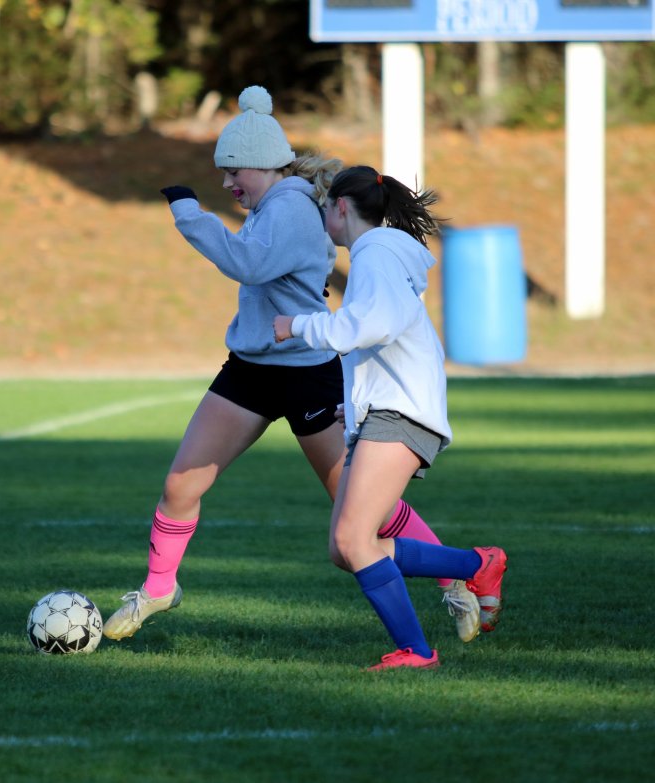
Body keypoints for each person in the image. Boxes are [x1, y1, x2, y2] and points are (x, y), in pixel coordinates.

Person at [103, 87, 479, 643]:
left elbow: (247, 264)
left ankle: (458, 580)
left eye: (234, 171)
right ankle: (159, 587)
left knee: (364, 513)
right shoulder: (270, 204)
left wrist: (189, 213)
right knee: (181, 483)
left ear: (262, 164)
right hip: (251, 370)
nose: (228, 184)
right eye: (223, 173)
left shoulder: (295, 209)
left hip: (307, 372)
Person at [273, 165, 507, 669]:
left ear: (340, 207)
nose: (322, 220)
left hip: (400, 415)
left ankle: (417, 651)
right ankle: (477, 564)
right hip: (387, 410)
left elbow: (369, 326)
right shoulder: (378, 253)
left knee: (355, 540)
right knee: (347, 548)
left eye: (323, 210)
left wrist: (299, 324)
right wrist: (354, 404)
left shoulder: (375, 254)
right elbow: (390, 337)